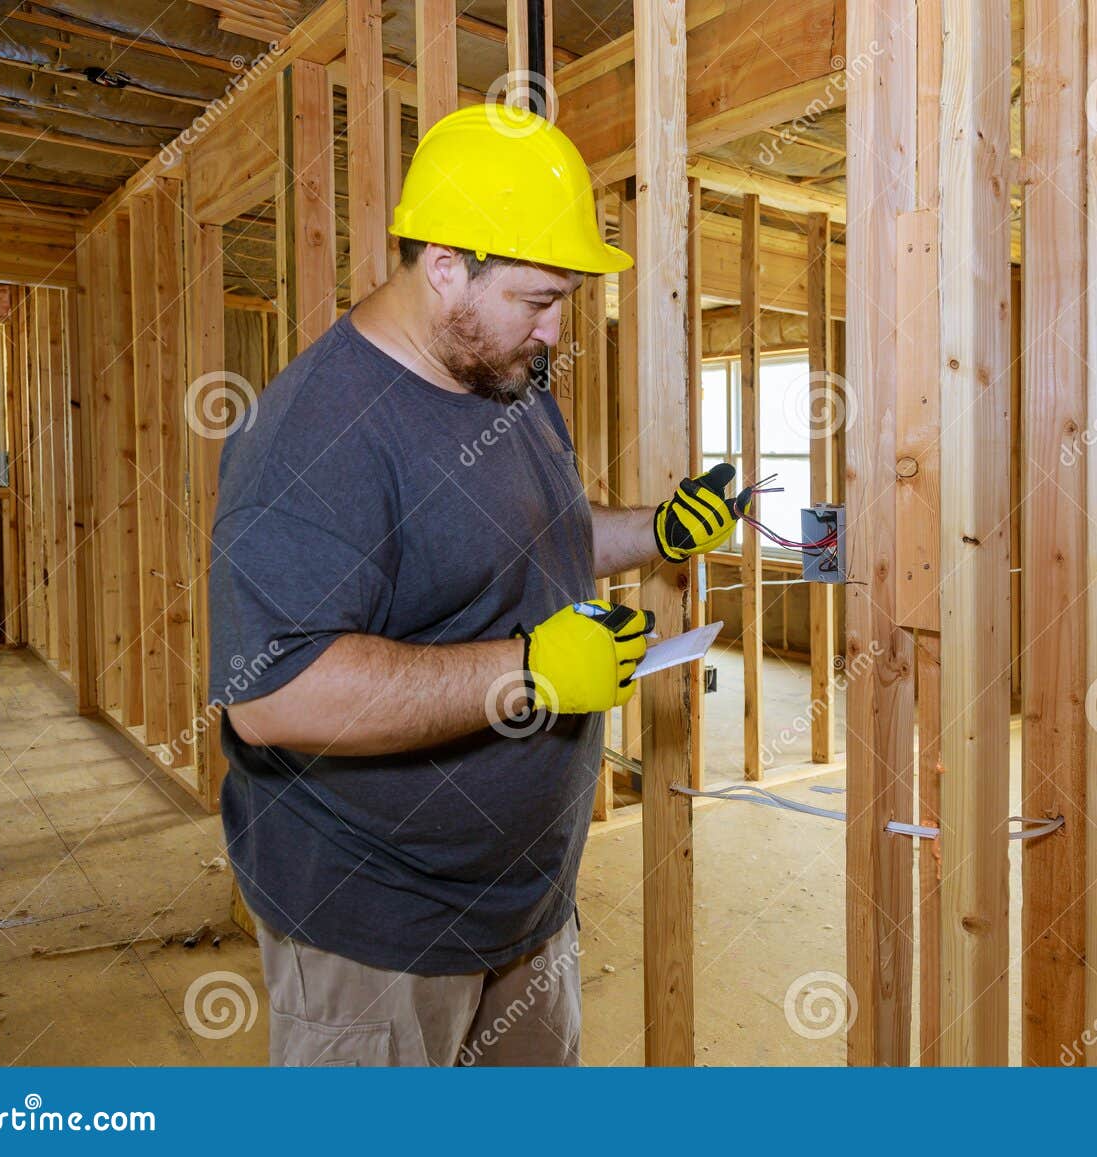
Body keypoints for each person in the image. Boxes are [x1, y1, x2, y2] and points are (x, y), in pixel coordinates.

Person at [207, 103, 745, 1066]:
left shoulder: (507, 384)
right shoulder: (315, 434)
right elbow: (277, 695)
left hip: (527, 905)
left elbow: (545, 539)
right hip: (379, 926)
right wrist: (531, 671)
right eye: (537, 299)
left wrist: (655, 531)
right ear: (446, 264)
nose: (553, 329)